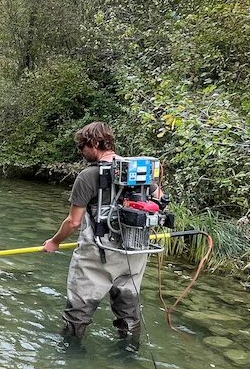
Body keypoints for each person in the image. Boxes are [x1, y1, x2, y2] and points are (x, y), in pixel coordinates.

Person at [42, 121, 162, 349]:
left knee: (78, 311)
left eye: (82, 147)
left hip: (99, 254)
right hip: (135, 251)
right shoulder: (137, 170)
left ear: (94, 143)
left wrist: (54, 242)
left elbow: (74, 222)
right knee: (129, 313)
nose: (81, 152)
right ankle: (128, 355)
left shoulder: (87, 177)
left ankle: (71, 357)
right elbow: (159, 198)